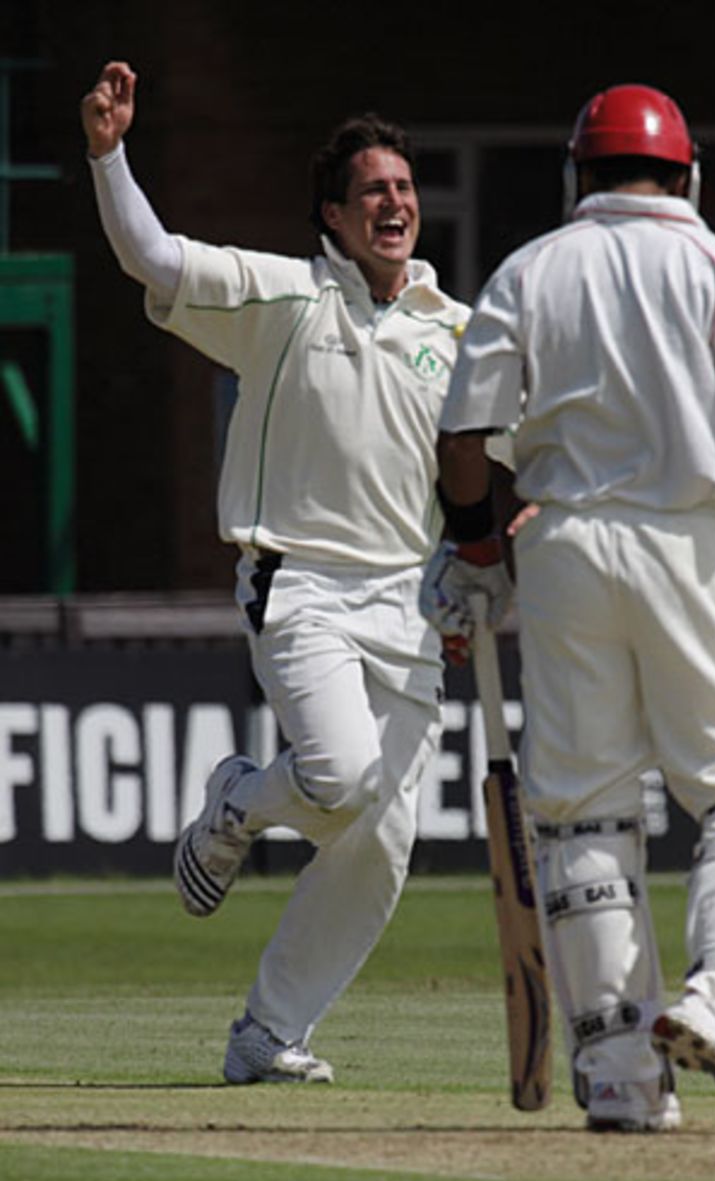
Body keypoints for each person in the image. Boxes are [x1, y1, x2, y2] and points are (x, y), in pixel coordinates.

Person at [419, 83, 715, 1133]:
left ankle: (615, 1065)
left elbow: (464, 439)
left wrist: (475, 545)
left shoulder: (528, 269)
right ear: (687, 174)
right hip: (688, 542)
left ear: (580, 176)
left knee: (582, 809)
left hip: (560, 551)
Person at [81, 61, 470, 1084]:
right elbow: (152, 258)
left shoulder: (458, 333)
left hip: (412, 606)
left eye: (404, 188)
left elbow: (490, 476)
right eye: (372, 192)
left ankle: (267, 1031)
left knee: (380, 847)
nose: (394, 204)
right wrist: (108, 153)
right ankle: (236, 803)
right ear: (335, 218)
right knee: (338, 778)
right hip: (301, 584)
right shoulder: (285, 299)